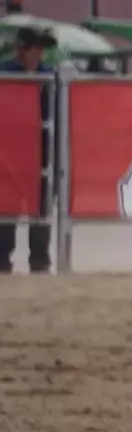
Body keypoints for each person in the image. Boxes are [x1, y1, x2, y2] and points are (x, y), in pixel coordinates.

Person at [0, 26, 57, 274]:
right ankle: (1, 260)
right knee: (6, 206)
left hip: (41, 151)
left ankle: (40, 260)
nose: (39, 53)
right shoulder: (5, 73)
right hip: (8, 151)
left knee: (41, 208)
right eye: (36, 48)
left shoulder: (50, 76)